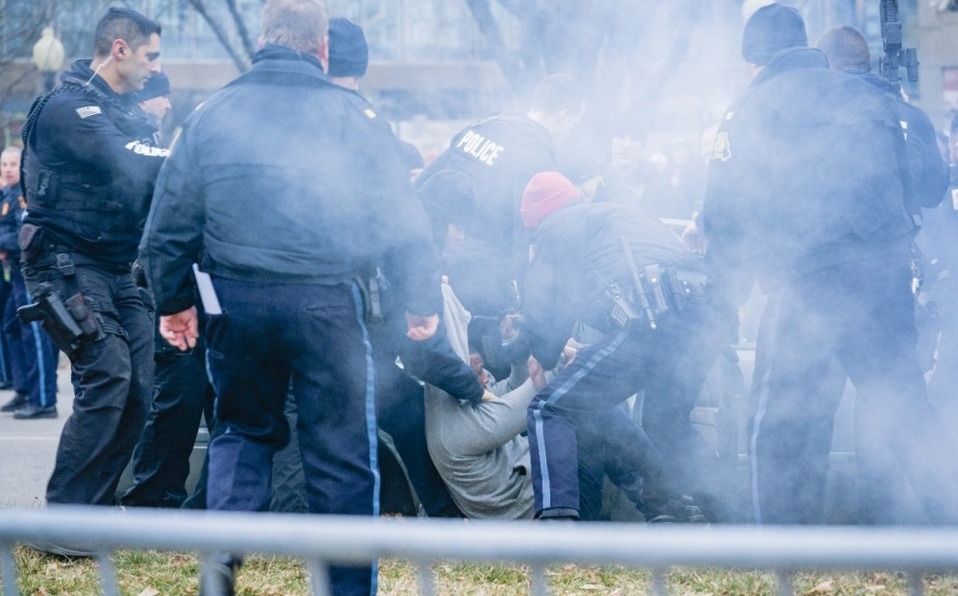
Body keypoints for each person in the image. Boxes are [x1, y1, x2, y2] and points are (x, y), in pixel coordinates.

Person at [138, 1, 443, 594]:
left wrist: (174, 303)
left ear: (262, 40)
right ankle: (348, 586)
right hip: (326, 305)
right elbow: (405, 220)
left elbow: (168, 222)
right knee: (341, 449)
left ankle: (222, 551)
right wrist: (420, 299)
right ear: (322, 48)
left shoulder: (212, 112)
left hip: (235, 301)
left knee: (241, 430)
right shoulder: (355, 115)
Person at [700, 3, 958, 525]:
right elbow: (930, 185)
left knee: (782, 428)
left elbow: (726, 217)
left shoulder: (751, 108)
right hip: (884, 281)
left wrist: (722, 305)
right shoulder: (873, 98)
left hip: (806, 286)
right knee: (906, 412)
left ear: (755, 59)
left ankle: (785, 556)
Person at [18, 7, 166, 515]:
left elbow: (152, 187)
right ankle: (66, 518)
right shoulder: (66, 108)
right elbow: (124, 161)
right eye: (151, 56)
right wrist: (190, 157)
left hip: (117, 267)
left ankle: (97, 513)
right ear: (120, 49)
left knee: (142, 385)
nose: (154, 67)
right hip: (65, 262)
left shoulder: (127, 112)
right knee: (108, 375)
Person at [517, 171, 725, 522]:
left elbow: (547, 303)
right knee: (667, 423)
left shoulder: (556, 226)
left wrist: (543, 351)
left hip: (655, 319)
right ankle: (734, 522)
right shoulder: (611, 215)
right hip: (702, 318)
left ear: (536, 220)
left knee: (549, 409)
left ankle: (557, 524)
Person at [425, 280, 704, 523]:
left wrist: (517, 344)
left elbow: (512, 388)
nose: (486, 378)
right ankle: (659, 496)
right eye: (477, 374)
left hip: (541, 499)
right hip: (538, 514)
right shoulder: (459, 434)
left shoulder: (460, 411)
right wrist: (557, 351)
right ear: (458, 379)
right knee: (581, 405)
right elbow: (534, 390)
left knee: (583, 403)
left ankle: (657, 497)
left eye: (484, 370)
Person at [415, 73, 585, 378]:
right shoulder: (537, 156)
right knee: (498, 379)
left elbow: (424, 187)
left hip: (442, 270)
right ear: (564, 115)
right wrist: (534, 317)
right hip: (488, 287)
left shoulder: (482, 127)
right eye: (573, 126)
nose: (570, 134)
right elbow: (532, 243)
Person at [120, 70, 217, 510]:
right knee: (175, 404)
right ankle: (151, 501)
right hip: (174, 295)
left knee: (199, 403)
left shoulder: (163, 152)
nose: (166, 107)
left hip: (194, 295)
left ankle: (193, 501)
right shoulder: (144, 151)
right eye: (161, 100)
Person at [0, 145, 59, 420]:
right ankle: (24, 389)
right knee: (12, 328)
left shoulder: (25, 195)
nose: (8, 169)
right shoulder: (6, 195)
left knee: (35, 334)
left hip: (30, 272)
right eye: (4, 164)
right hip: (15, 271)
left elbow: (27, 235)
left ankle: (44, 400)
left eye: (13, 163)